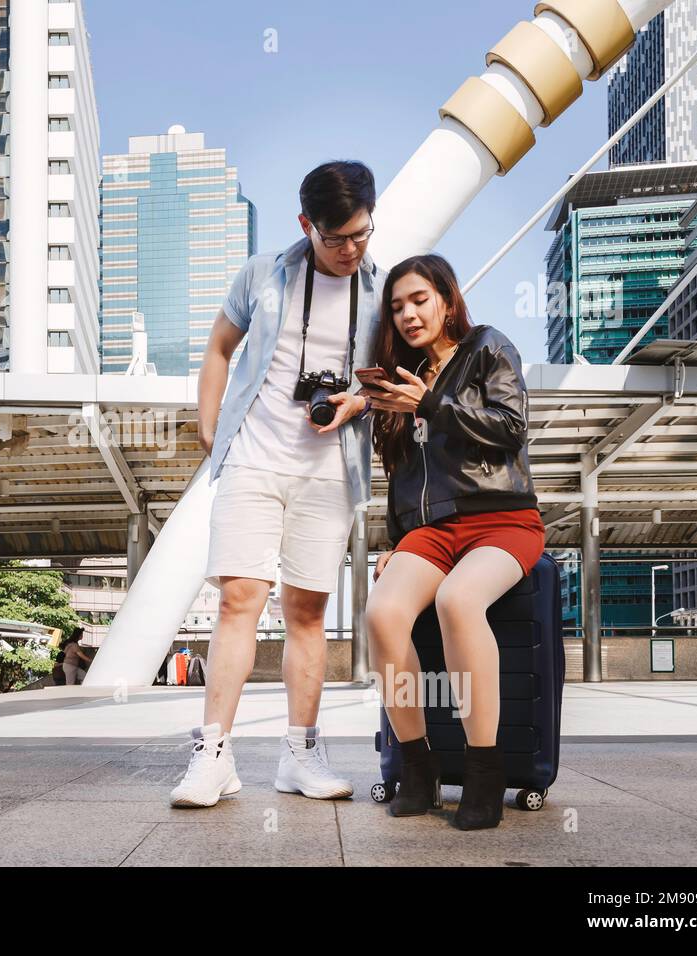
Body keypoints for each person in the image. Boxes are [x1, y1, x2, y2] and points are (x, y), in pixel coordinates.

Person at [171, 161, 385, 808]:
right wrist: (213, 432)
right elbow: (219, 347)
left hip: (329, 469)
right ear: (306, 225)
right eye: (336, 237)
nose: (350, 250)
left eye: (362, 235)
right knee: (240, 595)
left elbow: (398, 382)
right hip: (255, 459)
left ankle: (300, 752)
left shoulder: (381, 289)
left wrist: (359, 403)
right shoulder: (263, 274)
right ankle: (213, 754)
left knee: (307, 611)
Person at [362, 254, 544, 830]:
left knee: (458, 601)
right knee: (383, 614)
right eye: (397, 308)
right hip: (431, 532)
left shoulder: (488, 346)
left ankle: (485, 767)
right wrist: (397, 541)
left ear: (447, 297)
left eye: (419, 299)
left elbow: (512, 428)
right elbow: (402, 475)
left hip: (503, 519)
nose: (409, 315)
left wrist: (432, 404)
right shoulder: (401, 382)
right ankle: (417, 764)